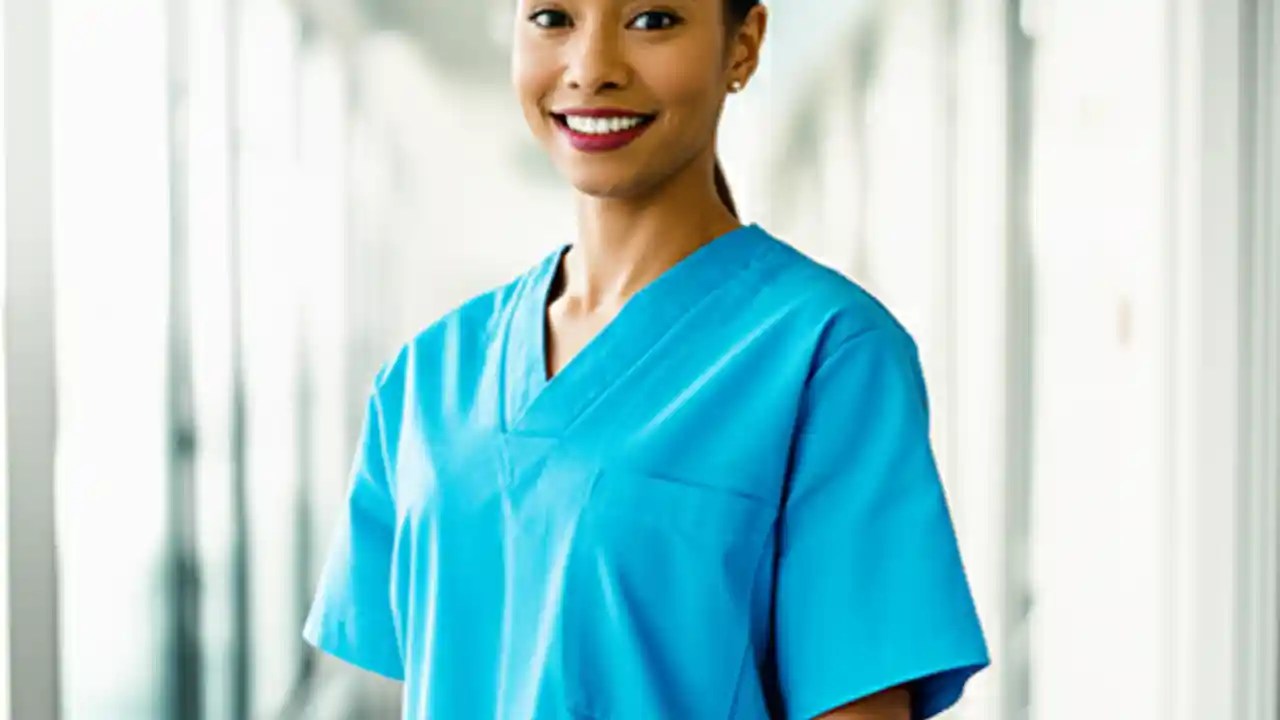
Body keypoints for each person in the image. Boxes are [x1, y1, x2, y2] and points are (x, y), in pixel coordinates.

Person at [302, 1, 990, 717]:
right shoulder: (427, 377)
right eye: (551, 17)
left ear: (743, 47)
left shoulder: (829, 357)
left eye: (653, 19)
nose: (592, 68)